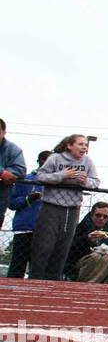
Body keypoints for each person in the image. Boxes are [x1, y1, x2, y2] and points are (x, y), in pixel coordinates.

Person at [29, 135, 101, 282]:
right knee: (44, 246)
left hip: (72, 208)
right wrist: (62, 175)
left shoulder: (87, 162)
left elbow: (96, 181)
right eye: (80, 144)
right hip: (51, 206)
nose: (84, 148)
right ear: (69, 145)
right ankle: (36, 279)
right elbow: (40, 176)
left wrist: (85, 181)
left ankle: (53, 281)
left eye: (85, 145)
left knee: (62, 247)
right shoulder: (56, 158)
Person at [4, 150, 49, 279]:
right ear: (39, 161)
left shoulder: (55, 183)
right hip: (24, 229)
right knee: (17, 267)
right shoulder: (25, 180)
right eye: (45, 161)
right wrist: (28, 199)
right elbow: (12, 203)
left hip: (46, 231)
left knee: (39, 269)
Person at [65, 202, 108, 283]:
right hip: (83, 260)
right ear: (92, 215)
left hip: (105, 259)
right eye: (98, 215)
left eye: (105, 217)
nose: (101, 218)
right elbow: (70, 249)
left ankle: (91, 283)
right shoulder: (82, 227)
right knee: (96, 257)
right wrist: (87, 239)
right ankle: (91, 284)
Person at [0, 118, 27, 233]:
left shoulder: (13, 149)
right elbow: (5, 174)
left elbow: (20, 171)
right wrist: (3, 173)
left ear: (4, 132)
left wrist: (7, 174)